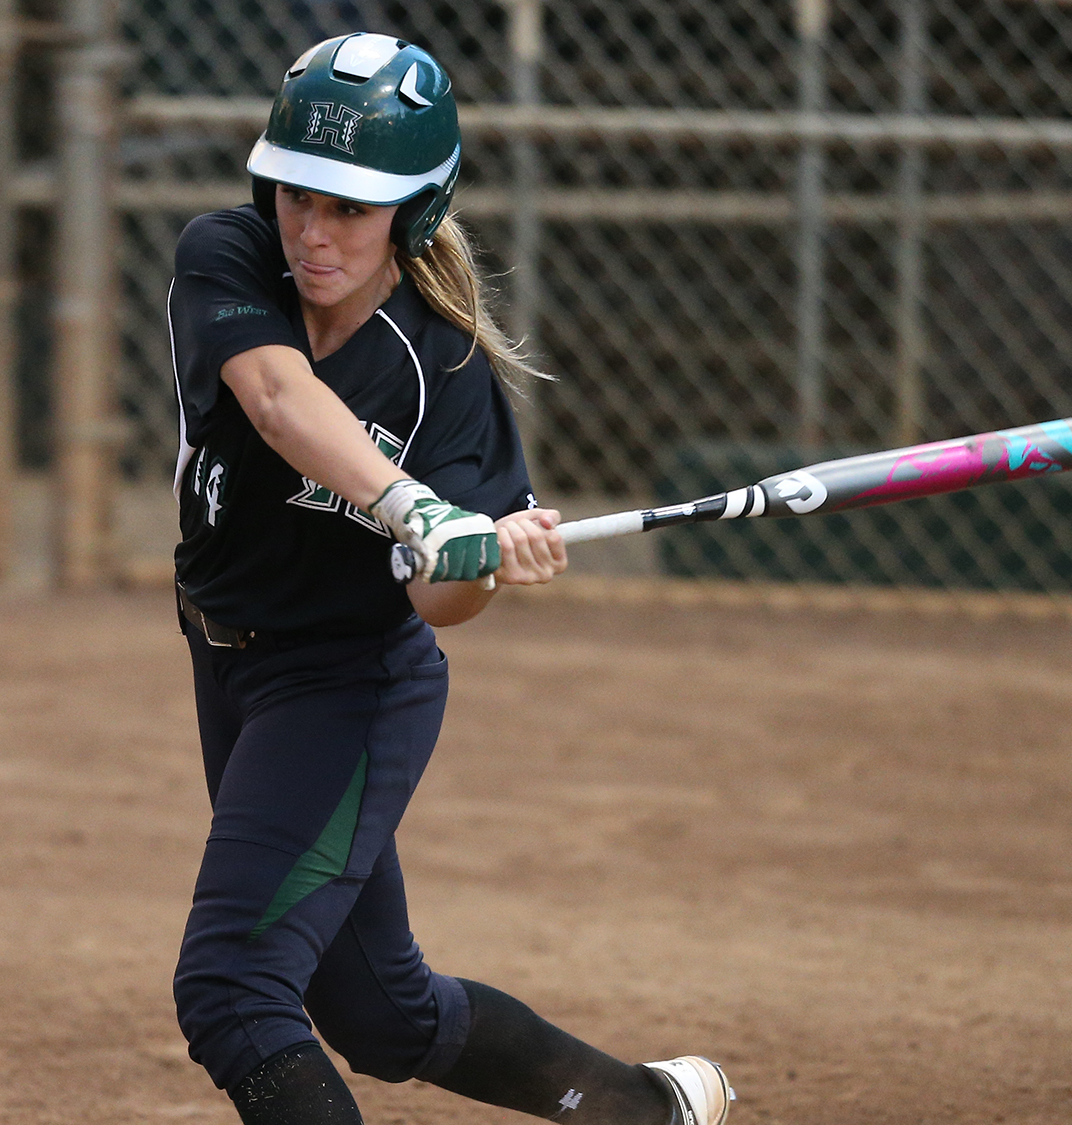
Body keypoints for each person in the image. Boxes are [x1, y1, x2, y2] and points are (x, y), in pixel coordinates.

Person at [166, 33, 736, 1125]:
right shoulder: (224, 258)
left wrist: (478, 555)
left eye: (351, 209)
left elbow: (436, 604)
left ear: (415, 214)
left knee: (234, 991)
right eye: (298, 195)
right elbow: (281, 403)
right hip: (224, 658)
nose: (313, 232)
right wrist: (414, 506)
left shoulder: (447, 372)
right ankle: (645, 1111)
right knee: (382, 1015)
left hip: (346, 691)